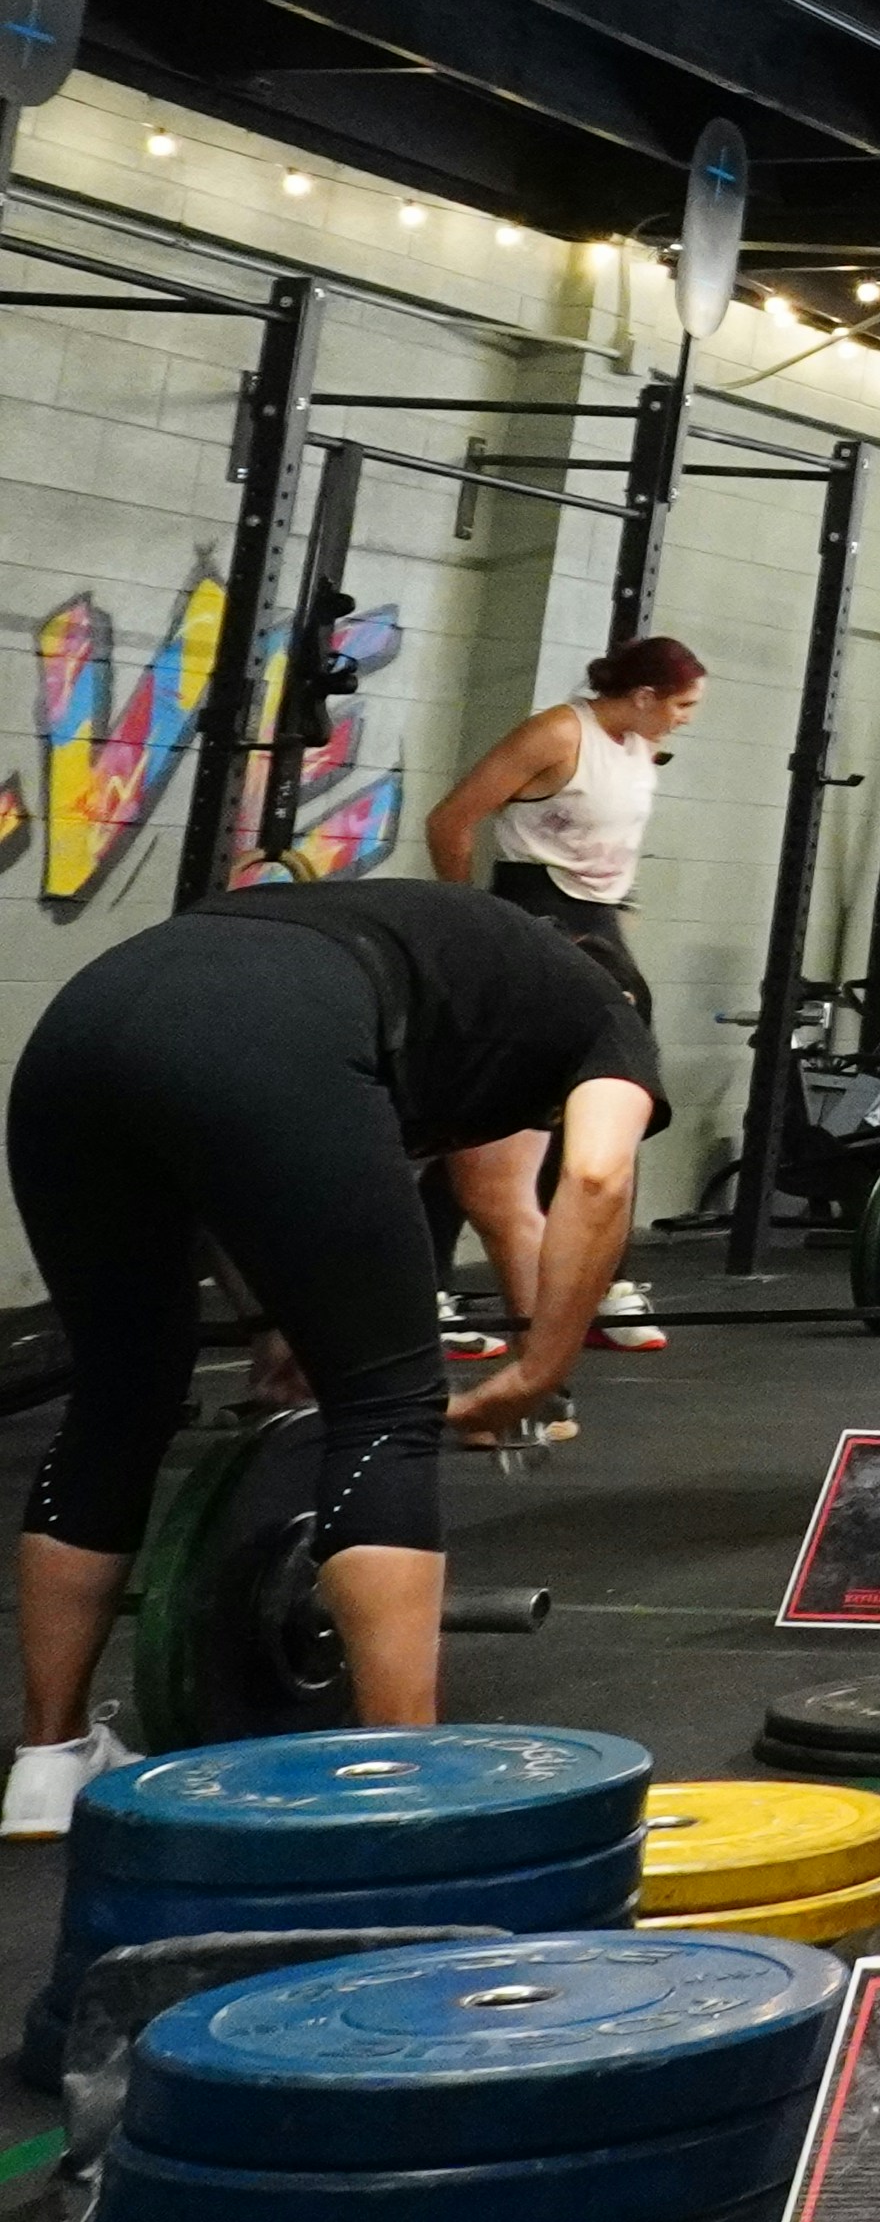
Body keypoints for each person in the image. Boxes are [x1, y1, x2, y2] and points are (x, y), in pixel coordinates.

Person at [8, 874, 662, 1813]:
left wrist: (276, 1321)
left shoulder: (438, 955)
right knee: (387, 1405)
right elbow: (596, 1178)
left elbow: (231, 1149)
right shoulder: (608, 1009)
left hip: (80, 1029)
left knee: (119, 1393)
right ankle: (399, 1782)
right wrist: (541, 1370)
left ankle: (48, 1762)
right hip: (270, 1038)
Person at [417, 633, 699, 1356]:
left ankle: (602, 1286)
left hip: (597, 928)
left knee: (618, 1105)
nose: (687, 718)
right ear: (644, 696)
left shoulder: (639, 745)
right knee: (490, 1117)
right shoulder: (555, 733)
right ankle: (424, 1292)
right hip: (531, 917)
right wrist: (470, 921)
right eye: (683, 705)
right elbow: (451, 819)